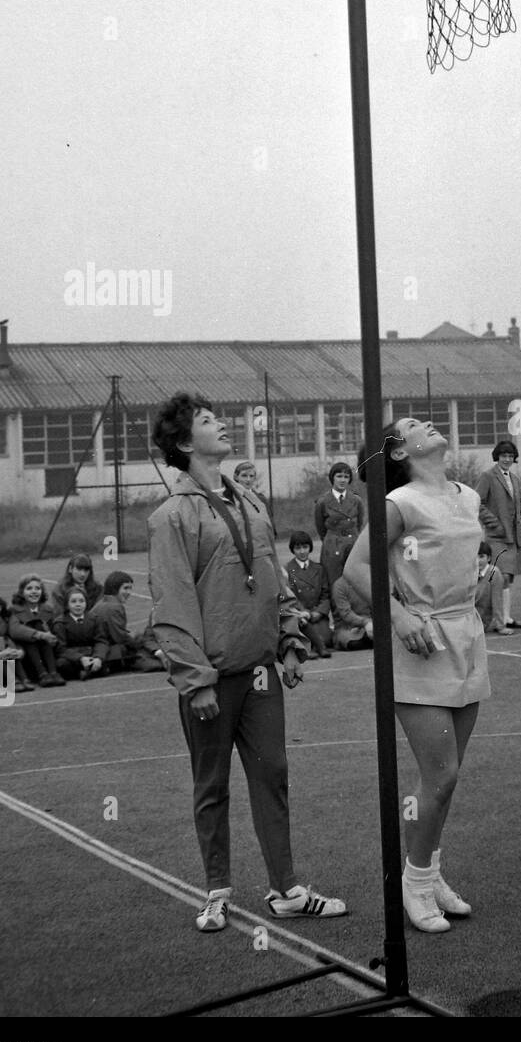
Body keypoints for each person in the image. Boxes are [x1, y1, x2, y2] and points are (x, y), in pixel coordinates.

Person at [149, 391, 347, 933]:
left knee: (273, 776)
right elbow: (172, 605)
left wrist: (288, 641)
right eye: (209, 421)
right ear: (187, 442)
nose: (223, 425)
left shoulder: (251, 505)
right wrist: (196, 680)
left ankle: (286, 890)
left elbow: (274, 582)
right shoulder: (173, 516)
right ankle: (216, 892)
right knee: (211, 785)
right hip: (212, 680)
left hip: (260, 673)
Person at [344, 416, 486, 934]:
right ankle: (416, 884)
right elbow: (356, 568)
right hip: (420, 643)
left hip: (466, 637)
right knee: (440, 774)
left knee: (446, 781)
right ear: (401, 452)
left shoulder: (467, 496)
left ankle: (429, 871)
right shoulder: (398, 504)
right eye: (412, 425)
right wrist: (398, 616)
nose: (426, 422)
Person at [475, 440, 521, 628]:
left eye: (510, 456)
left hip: (514, 536)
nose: (507, 459)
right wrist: (494, 524)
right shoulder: (487, 476)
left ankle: (506, 617)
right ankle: (501, 619)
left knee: (509, 577)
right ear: (497, 457)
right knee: (502, 576)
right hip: (497, 536)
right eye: (503, 456)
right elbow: (478, 503)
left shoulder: (515, 479)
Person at [314, 462, 364, 619]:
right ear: (332, 478)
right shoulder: (323, 501)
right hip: (332, 546)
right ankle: (338, 621)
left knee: (354, 580)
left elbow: (359, 523)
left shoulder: (356, 500)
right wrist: (331, 539)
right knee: (334, 582)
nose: (342, 480)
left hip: (352, 544)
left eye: (346, 476)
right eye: (339, 476)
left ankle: (358, 619)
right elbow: (320, 527)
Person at [89, 571, 166, 673]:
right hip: (103, 650)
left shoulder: (102, 602)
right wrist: (137, 642)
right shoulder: (115, 607)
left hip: (96, 646)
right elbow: (119, 637)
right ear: (115, 588)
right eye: (125, 588)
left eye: (130, 588)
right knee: (141, 653)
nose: (129, 592)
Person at [283, 531, 334, 659]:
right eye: (298, 548)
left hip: (317, 615)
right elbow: (290, 596)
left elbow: (325, 595)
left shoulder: (319, 569)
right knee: (302, 632)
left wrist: (318, 613)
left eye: (305, 547)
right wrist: (303, 612)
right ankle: (310, 647)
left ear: (310, 548)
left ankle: (314, 645)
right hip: (299, 615)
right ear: (292, 550)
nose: (302, 551)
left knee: (326, 639)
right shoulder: (288, 570)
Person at [8, 576, 62, 688]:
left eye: (37, 588)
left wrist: (52, 636)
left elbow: (56, 629)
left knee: (42, 628)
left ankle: (53, 672)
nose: (34, 591)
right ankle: (41, 673)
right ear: (22, 592)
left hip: (48, 651)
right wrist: (40, 635)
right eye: (29, 588)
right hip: (26, 654)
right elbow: (15, 630)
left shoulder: (48, 609)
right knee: (33, 629)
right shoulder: (14, 610)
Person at [52, 587, 107, 682]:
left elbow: (101, 640)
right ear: (67, 605)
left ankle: (90, 670)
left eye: (81, 601)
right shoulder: (60, 623)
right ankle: (83, 672)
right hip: (72, 657)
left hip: (91, 653)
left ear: (86, 603)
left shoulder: (94, 619)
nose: (78, 604)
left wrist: (98, 657)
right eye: (73, 602)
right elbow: (60, 648)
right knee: (61, 664)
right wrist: (80, 658)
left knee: (110, 655)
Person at [474, 541, 513, 635]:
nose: (477, 560)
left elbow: (497, 601)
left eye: (481, 556)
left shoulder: (494, 573)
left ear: (489, 558)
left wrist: (500, 627)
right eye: (475, 556)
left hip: (482, 620)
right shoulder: (469, 572)